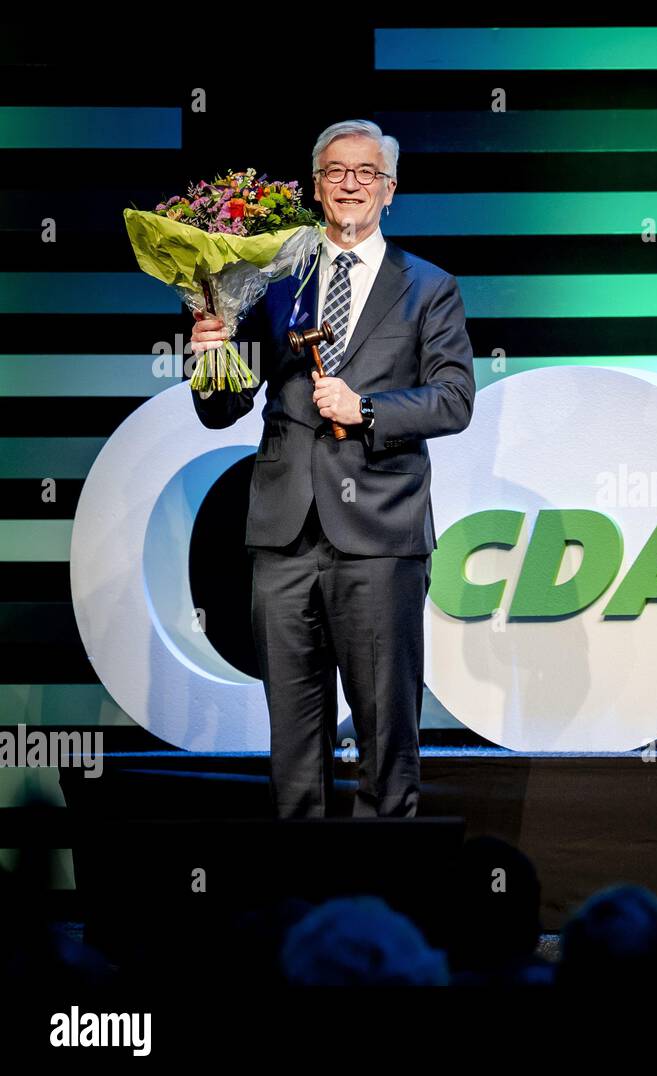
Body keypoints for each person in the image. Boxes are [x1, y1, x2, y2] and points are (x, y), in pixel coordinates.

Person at [190, 119, 475, 818]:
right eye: (337, 172)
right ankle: (304, 912)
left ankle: (383, 917)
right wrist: (209, 356)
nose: (352, 184)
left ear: (390, 191)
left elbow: (454, 398)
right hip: (284, 538)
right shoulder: (273, 283)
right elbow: (223, 409)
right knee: (292, 748)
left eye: (367, 173)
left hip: (380, 538)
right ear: (317, 187)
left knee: (386, 743)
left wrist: (368, 408)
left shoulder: (428, 288)